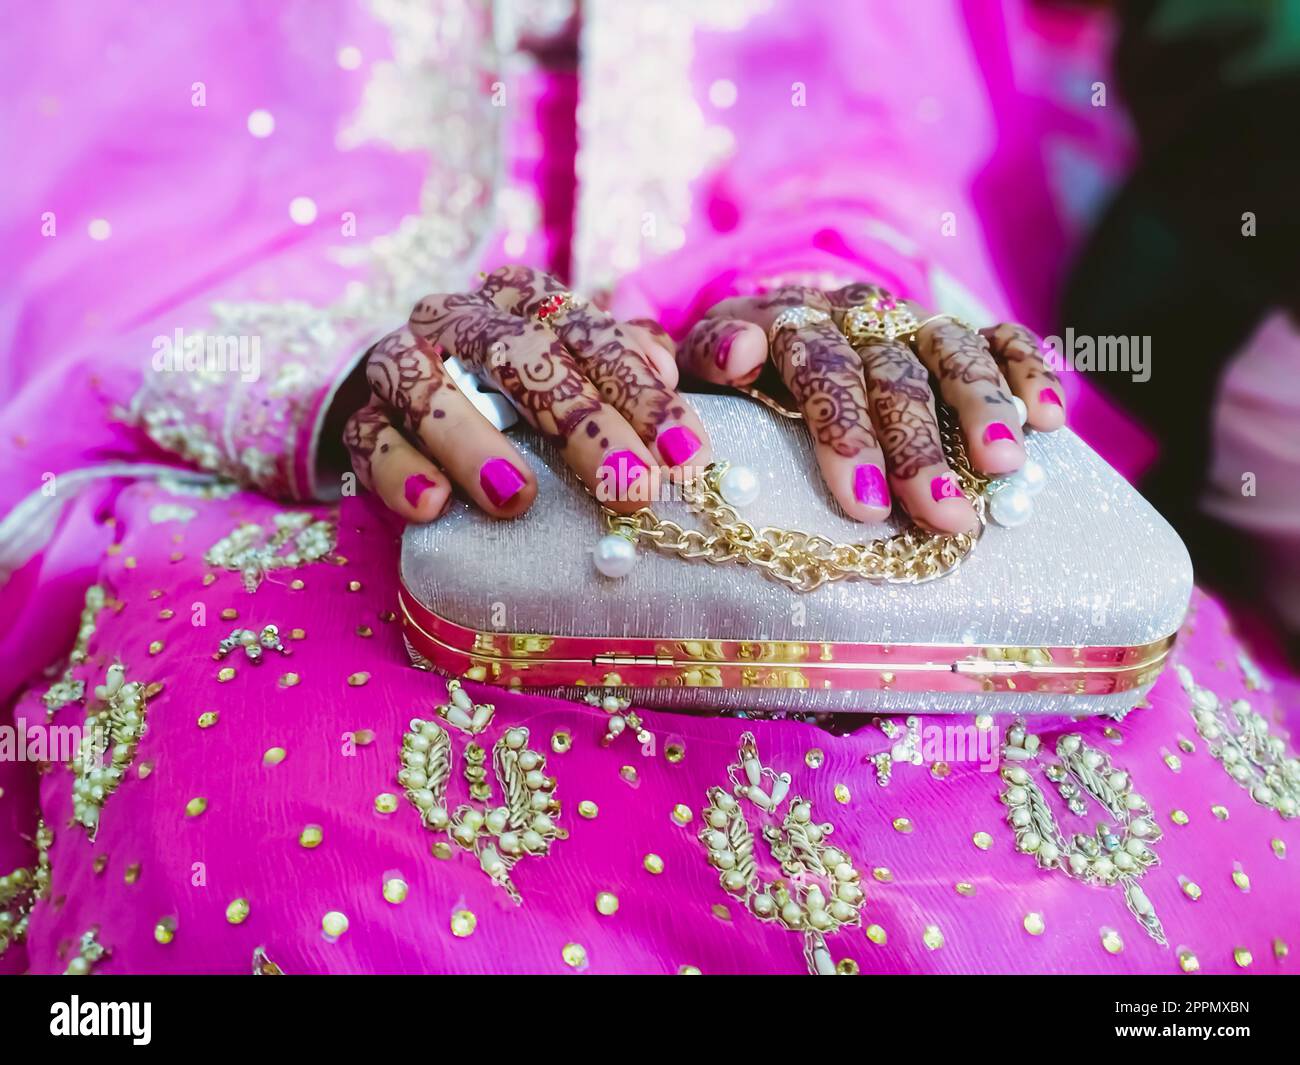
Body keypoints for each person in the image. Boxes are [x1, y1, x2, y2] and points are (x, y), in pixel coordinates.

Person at [1, 0, 1295, 975]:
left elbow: (890, 129)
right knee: (284, 823)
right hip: (301, 463)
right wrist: (326, 386)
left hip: (809, 403)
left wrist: (836, 289)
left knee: (1162, 808)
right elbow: (86, 208)